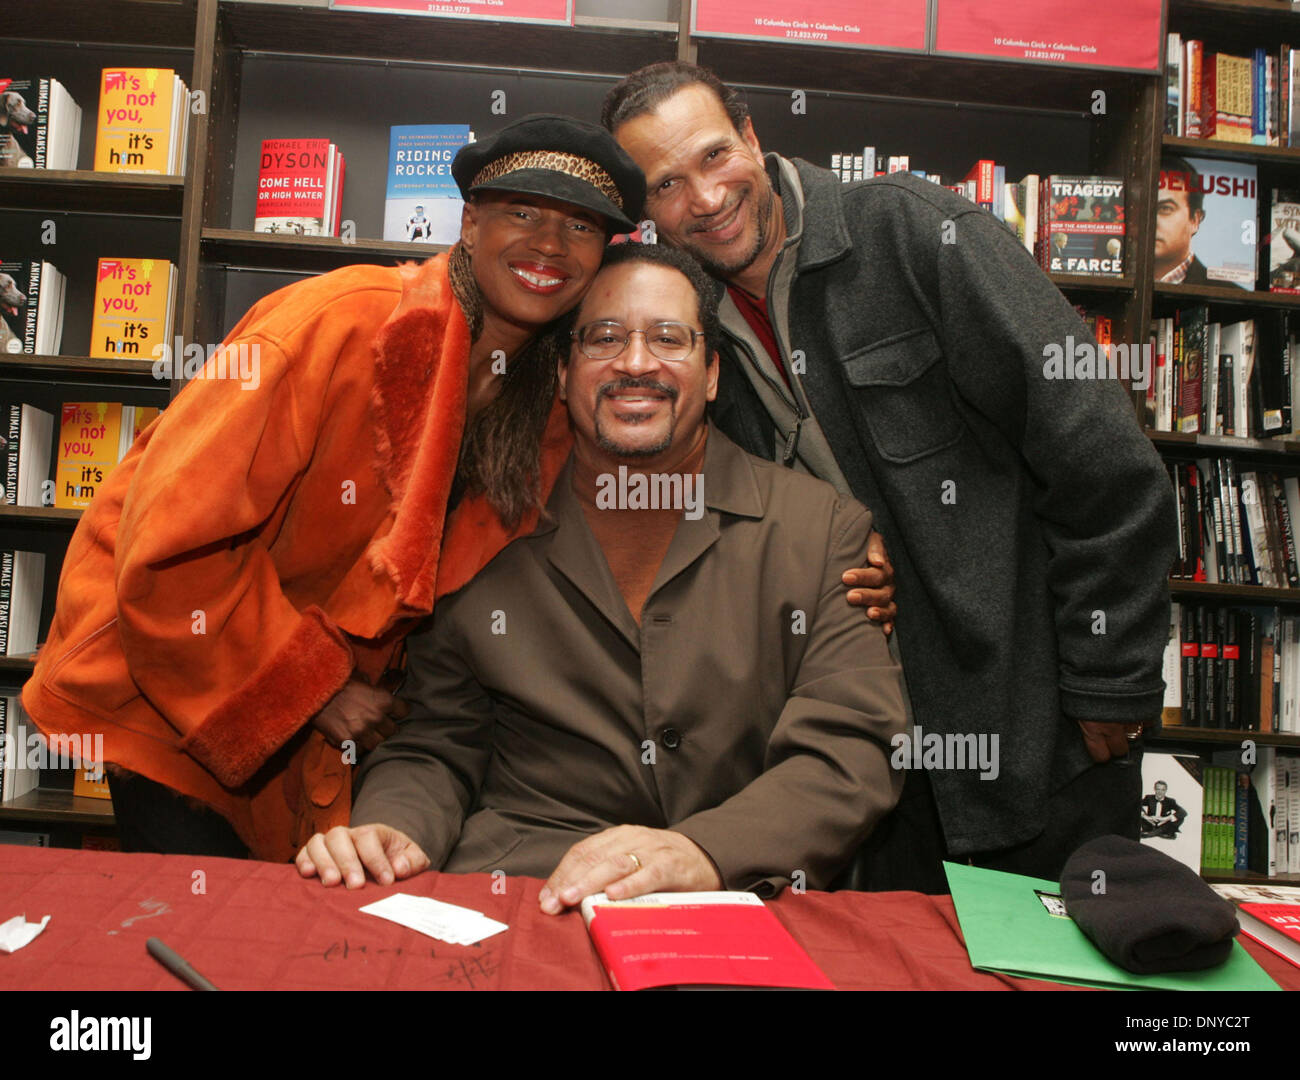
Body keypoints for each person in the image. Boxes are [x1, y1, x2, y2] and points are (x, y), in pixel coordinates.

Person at [602, 61, 1179, 891]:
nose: (703, 197)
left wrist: (1110, 677)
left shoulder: (913, 233)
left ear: (755, 139)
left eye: (715, 157)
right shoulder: (691, 326)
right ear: (646, 212)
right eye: (665, 185)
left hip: (1040, 727)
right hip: (870, 755)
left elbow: (1103, 461)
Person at [21, 114, 647, 862]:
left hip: (318, 720)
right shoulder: (333, 321)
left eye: (579, 227)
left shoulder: (541, 397)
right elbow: (168, 540)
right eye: (522, 212)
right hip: (167, 683)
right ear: (470, 222)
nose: (549, 243)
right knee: (199, 931)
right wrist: (314, 691)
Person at [295, 241, 908, 907]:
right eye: (604, 338)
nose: (636, 363)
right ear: (562, 374)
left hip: (738, 896)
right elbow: (438, 742)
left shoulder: (824, 532)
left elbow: (852, 752)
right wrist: (393, 828)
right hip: (522, 895)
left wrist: (705, 849)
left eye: (669, 338)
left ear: (712, 374)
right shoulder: (478, 530)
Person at [1155, 155, 1209, 285]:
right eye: (1143, 208)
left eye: (1165, 209)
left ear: (1195, 220)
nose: (1151, 221)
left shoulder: (1225, 292)